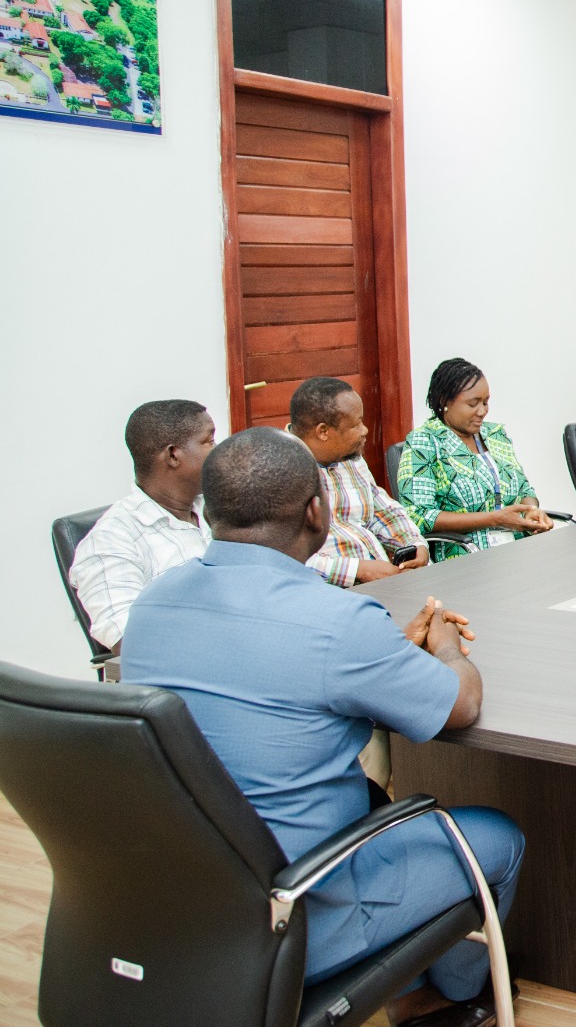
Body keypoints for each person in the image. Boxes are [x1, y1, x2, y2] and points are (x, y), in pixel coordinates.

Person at [120, 428, 524, 1027]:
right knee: (497, 837)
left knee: (367, 798)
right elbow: (458, 706)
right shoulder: (336, 619)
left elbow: (263, 677)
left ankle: (416, 985)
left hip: (180, 908)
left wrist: (381, 656)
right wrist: (443, 650)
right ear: (317, 509)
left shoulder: (151, 607)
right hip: (300, 914)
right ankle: (449, 1001)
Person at [69, 399, 216, 653]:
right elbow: (133, 643)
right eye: (209, 441)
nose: (219, 450)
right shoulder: (111, 540)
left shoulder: (218, 507)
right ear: (173, 455)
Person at [396, 358, 553, 559]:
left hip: (517, 550)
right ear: (445, 401)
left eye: (486, 402)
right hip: (465, 556)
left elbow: (524, 489)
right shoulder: (425, 441)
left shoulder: (495, 435)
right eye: (473, 404)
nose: (482, 411)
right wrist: (495, 519)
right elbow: (418, 515)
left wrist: (531, 510)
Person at [288, 376, 428, 586]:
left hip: (384, 584)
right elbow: (283, 557)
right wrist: (357, 570)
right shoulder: (279, 471)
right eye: (356, 424)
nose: (365, 430)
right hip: (331, 594)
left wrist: (414, 543)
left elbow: (384, 511)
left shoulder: (349, 457)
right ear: (323, 431)